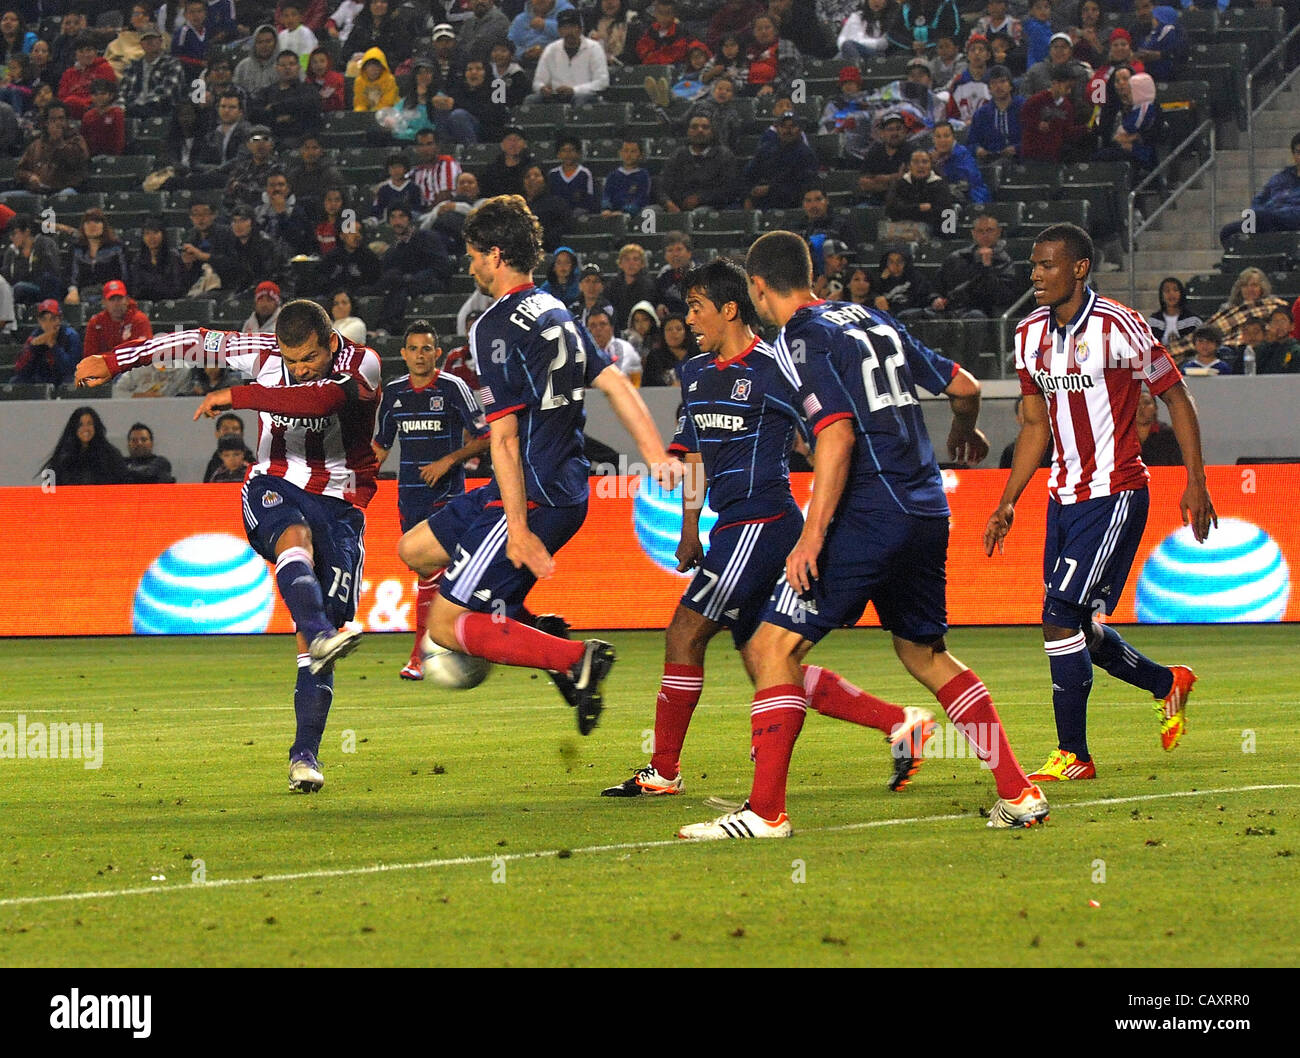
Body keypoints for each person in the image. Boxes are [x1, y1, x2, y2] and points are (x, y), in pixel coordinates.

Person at [677, 230, 1047, 839]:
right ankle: (1018, 790)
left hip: (872, 514)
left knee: (772, 650)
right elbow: (965, 388)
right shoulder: (874, 319)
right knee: (923, 653)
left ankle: (766, 813)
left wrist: (812, 536)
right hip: (928, 510)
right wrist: (967, 433)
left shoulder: (798, 337)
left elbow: (837, 435)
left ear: (758, 288)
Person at [393, 193, 678, 737]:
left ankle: (573, 659)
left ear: (495, 254)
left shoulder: (493, 324)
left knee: (448, 626)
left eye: (475, 253)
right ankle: (534, 628)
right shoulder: (554, 309)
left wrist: (519, 531)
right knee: (415, 549)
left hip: (531, 494)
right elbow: (614, 381)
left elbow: (501, 437)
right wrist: (655, 453)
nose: (470, 264)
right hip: (556, 486)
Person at [76, 299, 383, 794]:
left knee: (316, 643)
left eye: (309, 359)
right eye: (291, 361)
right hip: (275, 482)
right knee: (293, 539)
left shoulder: (361, 362)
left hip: (341, 501)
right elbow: (193, 341)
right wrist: (114, 361)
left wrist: (238, 395)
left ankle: (304, 755)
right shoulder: (263, 353)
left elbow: (320, 403)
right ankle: (318, 630)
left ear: (330, 343)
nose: (299, 370)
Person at [984, 222, 1215, 784]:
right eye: (1033, 265)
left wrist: (1196, 481)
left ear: (1079, 267)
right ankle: (1167, 683)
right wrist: (1008, 500)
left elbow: (1176, 397)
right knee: (1078, 627)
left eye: (1047, 265)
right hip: (1062, 495)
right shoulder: (1027, 334)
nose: (1035, 274)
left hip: (1115, 491)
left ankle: (1074, 754)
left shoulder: (1120, 327)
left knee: (1058, 615)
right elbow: (1035, 425)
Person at [602, 258, 805, 798]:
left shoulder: (776, 368)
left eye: (696, 308)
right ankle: (899, 725)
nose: (688, 319)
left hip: (765, 522)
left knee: (684, 632)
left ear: (730, 309)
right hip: (728, 527)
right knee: (766, 655)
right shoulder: (692, 373)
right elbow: (694, 456)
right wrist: (691, 526)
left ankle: (664, 770)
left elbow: (827, 430)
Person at [372, 321, 492, 680]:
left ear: (437, 353)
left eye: (427, 349)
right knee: (432, 574)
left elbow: (484, 437)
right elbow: (380, 447)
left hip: (449, 497)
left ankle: (420, 654)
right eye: (414, 349)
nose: (420, 355)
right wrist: (354, 480)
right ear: (404, 353)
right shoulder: (393, 393)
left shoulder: (454, 388)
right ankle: (464, 641)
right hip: (409, 496)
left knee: (433, 572)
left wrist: (448, 461)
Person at [1171, 267, 1290, 359]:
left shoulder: (1272, 306)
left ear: (1262, 288)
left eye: (1254, 285)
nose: (1250, 289)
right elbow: (1212, 329)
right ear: (1240, 289)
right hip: (1218, 342)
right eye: (1245, 286)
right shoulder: (1228, 309)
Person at [1219, 133, 1300, 251]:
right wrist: (1254, 213)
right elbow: (1260, 199)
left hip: (1292, 221)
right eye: (1299, 152)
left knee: (1264, 219)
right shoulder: (1281, 177)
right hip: (1264, 218)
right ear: (1293, 154)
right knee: (1227, 232)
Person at [933, 213, 1016, 317]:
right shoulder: (957, 257)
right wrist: (936, 298)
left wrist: (987, 267)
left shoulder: (1005, 260)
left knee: (974, 316)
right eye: (980, 231)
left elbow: (1002, 295)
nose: (985, 235)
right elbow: (937, 286)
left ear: (998, 232)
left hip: (985, 310)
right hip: (952, 307)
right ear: (973, 233)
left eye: (989, 230)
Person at [657, 114, 740, 214]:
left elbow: (729, 189)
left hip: (710, 207)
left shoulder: (724, 155)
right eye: (694, 127)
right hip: (675, 206)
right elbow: (662, 186)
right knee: (649, 212)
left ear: (712, 132)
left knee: (697, 215)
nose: (700, 130)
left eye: (705, 127)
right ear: (688, 131)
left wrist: (700, 198)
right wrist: (668, 203)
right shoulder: (678, 154)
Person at [743, 110, 819, 210]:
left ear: (799, 129)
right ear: (777, 128)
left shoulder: (806, 155)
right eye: (783, 126)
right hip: (761, 203)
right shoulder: (766, 150)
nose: (788, 130)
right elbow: (748, 176)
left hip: (791, 205)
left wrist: (771, 189)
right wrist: (748, 197)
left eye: (792, 126)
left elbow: (803, 189)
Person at [531, 7, 607, 105]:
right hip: (556, 96)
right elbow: (538, 82)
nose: (569, 31)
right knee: (531, 100)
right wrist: (542, 88)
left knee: (580, 99)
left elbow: (602, 82)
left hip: (585, 96)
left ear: (580, 29)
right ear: (559, 31)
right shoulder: (551, 49)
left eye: (572, 27)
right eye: (564, 27)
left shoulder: (594, 48)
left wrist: (574, 90)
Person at [41, 406, 131, 486]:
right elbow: (49, 489)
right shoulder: (62, 457)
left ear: (96, 426)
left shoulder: (111, 455)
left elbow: (123, 484)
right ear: (74, 428)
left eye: (89, 424)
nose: (85, 429)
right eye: (80, 425)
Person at [13, 101, 87, 195]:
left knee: (67, 194)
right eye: (53, 120)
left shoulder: (77, 140)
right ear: (46, 123)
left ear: (67, 120)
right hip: (37, 192)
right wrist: (30, 177)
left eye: (61, 119)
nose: (58, 123)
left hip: (65, 190)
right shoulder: (36, 144)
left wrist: (59, 142)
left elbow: (77, 164)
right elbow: (19, 171)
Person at [251, 48, 322, 148]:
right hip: (270, 137)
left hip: (298, 139)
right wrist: (277, 119)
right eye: (283, 65)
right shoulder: (266, 92)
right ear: (276, 68)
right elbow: (255, 112)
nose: (287, 68)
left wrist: (274, 108)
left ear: (298, 67)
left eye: (292, 64)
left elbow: (308, 106)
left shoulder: (308, 90)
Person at [66, 209, 128, 308]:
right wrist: (73, 291)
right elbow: (71, 276)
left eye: (97, 222)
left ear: (104, 226)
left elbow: (124, 276)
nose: (92, 226)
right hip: (83, 295)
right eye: (88, 222)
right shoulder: (75, 249)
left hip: (111, 294)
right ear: (83, 226)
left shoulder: (117, 247)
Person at [13, 297, 81, 386]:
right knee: (17, 381)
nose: (48, 324)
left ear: (60, 319)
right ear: (39, 321)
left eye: (52, 319)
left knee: (70, 381)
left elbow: (70, 369)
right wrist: (32, 348)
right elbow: (20, 369)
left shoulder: (71, 335)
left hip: (63, 378)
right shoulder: (35, 336)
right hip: (42, 378)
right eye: (44, 319)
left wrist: (53, 345)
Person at [84, 280, 153, 359]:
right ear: (104, 302)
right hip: (105, 368)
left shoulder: (139, 320)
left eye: (119, 299)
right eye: (112, 299)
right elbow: (89, 356)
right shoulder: (96, 323)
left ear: (127, 300)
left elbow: (143, 354)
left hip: (133, 369)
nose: (116, 304)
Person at [967, 64, 1022, 162]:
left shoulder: (1024, 107)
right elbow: (971, 143)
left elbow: (1034, 138)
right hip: (990, 163)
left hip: (1022, 161)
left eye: (1003, 81)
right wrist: (978, 150)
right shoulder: (981, 114)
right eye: (993, 83)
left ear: (1011, 85)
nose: (998, 86)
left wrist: (1018, 148)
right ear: (989, 89)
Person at [3, 215, 61, 304]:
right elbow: (6, 276)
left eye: (14, 233)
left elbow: (52, 273)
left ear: (26, 232)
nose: (11, 238)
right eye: (10, 235)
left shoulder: (45, 244)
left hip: (44, 290)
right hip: (18, 290)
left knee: (19, 288)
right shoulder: (11, 252)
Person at [929, 120, 989, 204]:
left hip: (972, 196)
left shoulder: (962, 154)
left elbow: (966, 183)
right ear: (933, 139)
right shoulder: (929, 156)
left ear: (953, 137)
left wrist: (937, 166)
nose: (942, 140)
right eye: (938, 136)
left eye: (946, 136)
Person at [545, 135, 598, 215]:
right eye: (564, 150)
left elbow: (589, 198)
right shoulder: (553, 174)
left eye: (571, 150)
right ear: (558, 154)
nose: (567, 154)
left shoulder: (585, 173)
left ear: (578, 153)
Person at [600, 137, 652, 218]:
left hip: (634, 215)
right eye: (626, 151)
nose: (628, 155)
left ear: (641, 155)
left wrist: (626, 212)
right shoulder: (613, 175)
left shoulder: (643, 175)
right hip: (611, 215)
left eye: (633, 151)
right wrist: (606, 209)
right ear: (620, 153)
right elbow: (607, 194)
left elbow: (641, 198)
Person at [640, 312, 697, 386]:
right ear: (663, 334)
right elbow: (648, 385)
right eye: (669, 329)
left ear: (686, 332)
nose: (674, 332)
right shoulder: (655, 357)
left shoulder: (697, 353)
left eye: (679, 329)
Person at [584, 306, 638, 382]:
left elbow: (617, 380)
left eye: (602, 324)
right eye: (593, 325)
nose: (598, 329)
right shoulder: (586, 352)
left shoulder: (623, 347)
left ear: (611, 328)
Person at [998, 394, 1053, 468]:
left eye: (1035, 411)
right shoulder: (1011, 452)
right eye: (1025, 413)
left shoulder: (1059, 448)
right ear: (1018, 418)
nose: (1032, 417)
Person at [1146, 277, 1201, 348]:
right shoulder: (1153, 321)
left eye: (1175, 290)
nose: (1171, 293)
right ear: (1161, 296)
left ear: (1181, 293)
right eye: (1167, 291)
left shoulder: (1193, 320)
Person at [203, 411, 254, 481]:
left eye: (235, 429)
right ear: (217, 433)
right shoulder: (214, 464)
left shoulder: (251, 463)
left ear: (242, 433)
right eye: (225, 429)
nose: (230, 432)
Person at [1257, 307, 1300, 375]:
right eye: (1275, 321)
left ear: (1292, 326)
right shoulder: (1265, 348)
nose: (1279, 325)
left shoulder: (1296, 351)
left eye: (1283, 321)